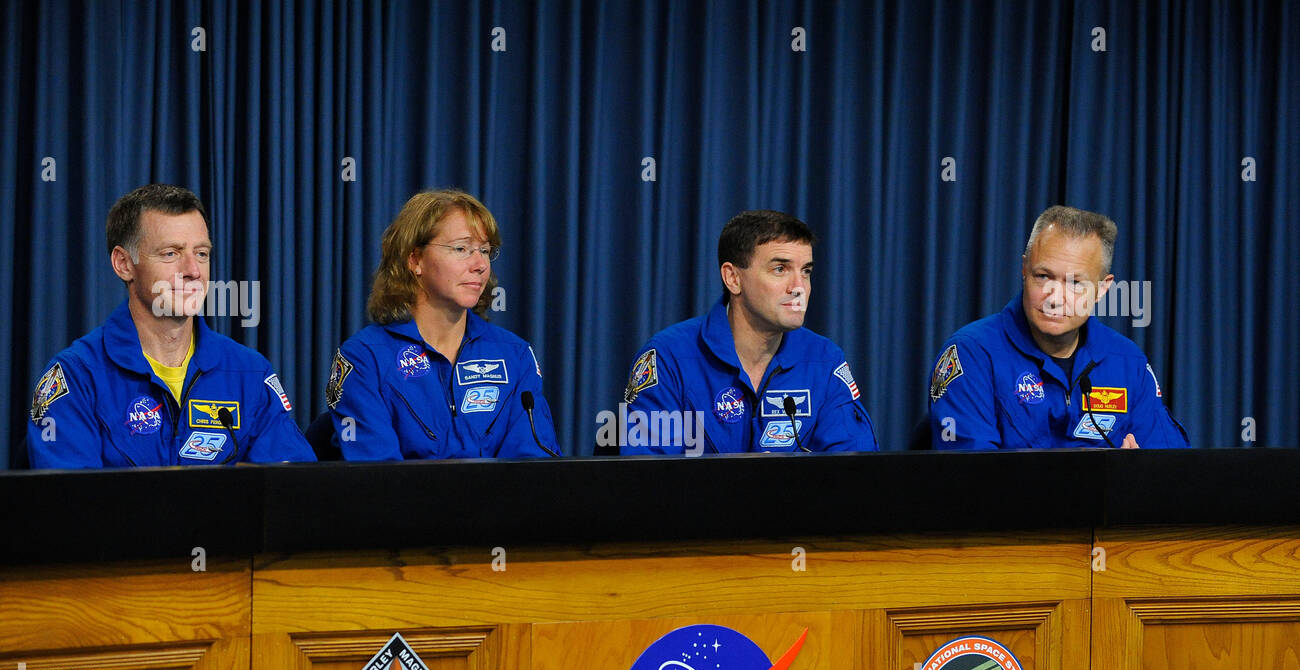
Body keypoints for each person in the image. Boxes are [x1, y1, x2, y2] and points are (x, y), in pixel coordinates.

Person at [27, 184, 315, 468]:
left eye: (201, 253)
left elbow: (290, 493)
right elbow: (68, 506)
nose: (193, 271)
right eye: (171, 253)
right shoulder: (77, 376)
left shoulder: (250, 372)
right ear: (124, 264)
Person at [615, 210, 877, 455]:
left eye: (806, 271)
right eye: (780, 269)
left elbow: (853, 474)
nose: (799, 288)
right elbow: (647, 483)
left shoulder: (825, 359)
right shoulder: (668, 358)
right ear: (733, 278)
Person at [928, 205, 1189, 450]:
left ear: (1102, 289)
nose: (1055, 298)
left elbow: (1171, 470)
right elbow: (967, 481)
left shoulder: (1127, 361)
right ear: (1024, 269)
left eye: (1075, 283)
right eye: (1043, 277)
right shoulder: (972, 354)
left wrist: (1140, 475)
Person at [329, 190, 560, 459]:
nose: (480, 265)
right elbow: (376, 479)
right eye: (461, 248)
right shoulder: (366, 357)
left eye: (485, 251)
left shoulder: (515, 354)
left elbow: (534, 468)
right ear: (415, 260)